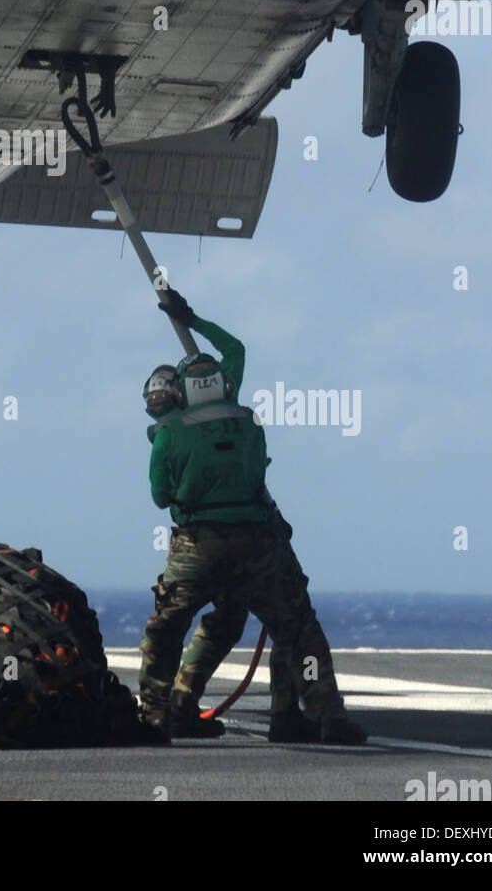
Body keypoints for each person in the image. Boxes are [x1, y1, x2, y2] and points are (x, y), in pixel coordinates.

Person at [137, 291, 366, 745]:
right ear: (221, 385)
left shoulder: (169, 434)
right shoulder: (240, 413)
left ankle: (159, 715)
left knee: (167, 629)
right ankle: (321, 715)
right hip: (259, 542)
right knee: (296, 626)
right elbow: (236, 350)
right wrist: (191, 318)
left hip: (198, 545)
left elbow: (161, 499)